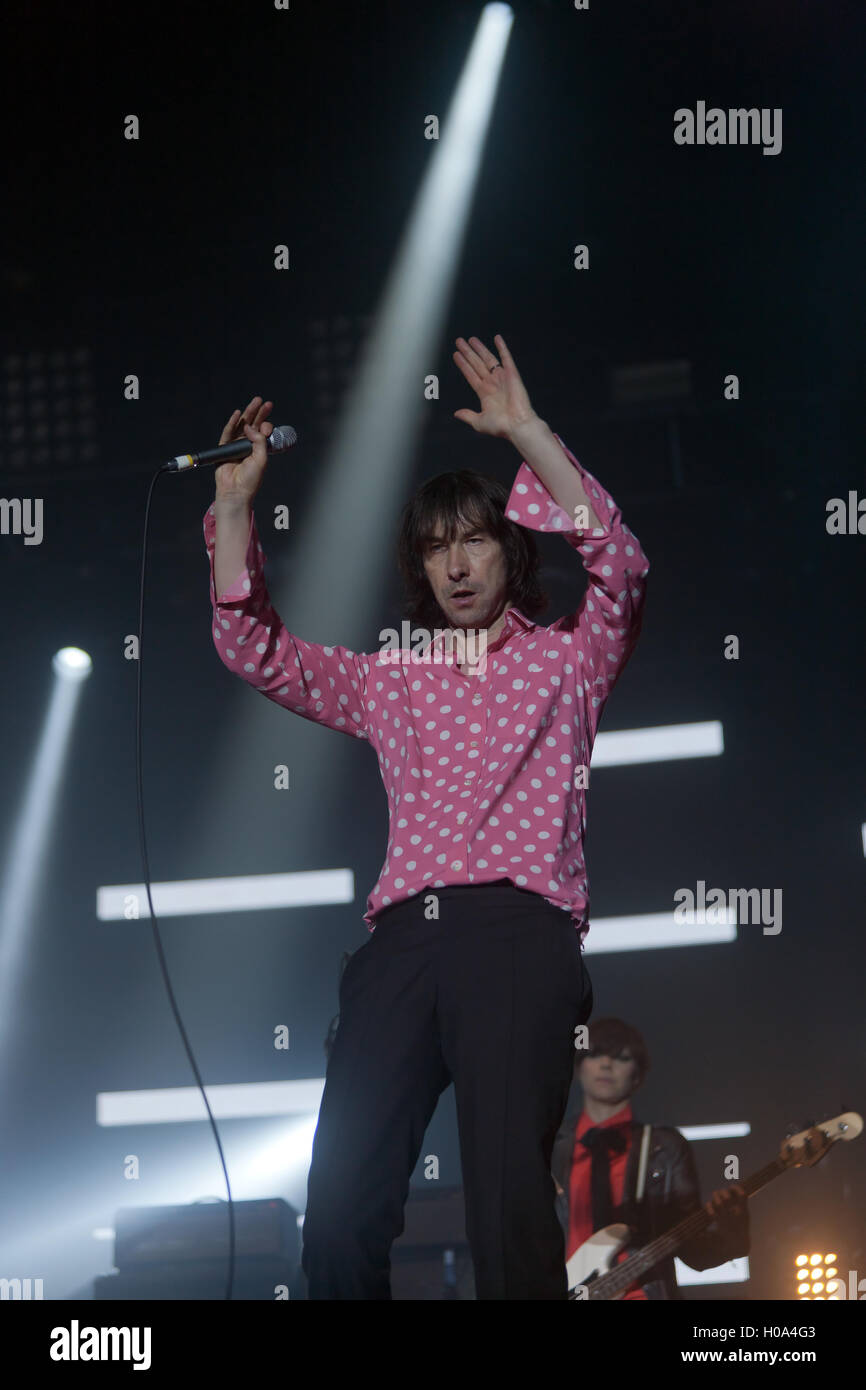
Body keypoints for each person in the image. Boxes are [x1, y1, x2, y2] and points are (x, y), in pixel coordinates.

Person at [204, 333, 650, 1299]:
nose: (455, 565)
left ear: (512, 543)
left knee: (505, 1207)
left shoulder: (568, 658)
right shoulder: (388, 673)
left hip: (517, 933)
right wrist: (235, 508)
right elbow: (253, 647)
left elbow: (621, 567)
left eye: (475, 538)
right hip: (401, 945)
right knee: (339, 1210)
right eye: (435, 546)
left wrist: (527, 433)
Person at [552, 1017, 750, 1299]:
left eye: (621, 1057)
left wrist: (734, 1227)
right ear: (578, 1066)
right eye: (595, 1053)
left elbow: (696, 1254)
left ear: (638, 1074)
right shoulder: (548, 1150)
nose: (606, 1064)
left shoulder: (665, 1149)